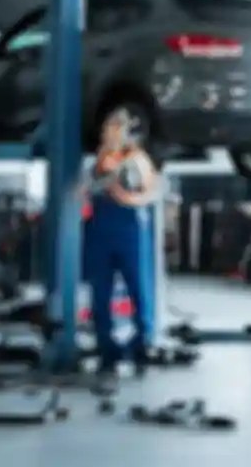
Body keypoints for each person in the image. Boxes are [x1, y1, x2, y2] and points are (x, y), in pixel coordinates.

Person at [85, 107, 159, 378]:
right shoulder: (100, 159)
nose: (111, 132)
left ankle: (141, 346)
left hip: (130, 227)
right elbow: (87, 188)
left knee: (139, 288)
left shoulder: (137, 158)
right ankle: (108, 350)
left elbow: (148, 191)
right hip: (101, 229)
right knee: (100, 291)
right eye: (108, 127)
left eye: (117, 127)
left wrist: (122, 194)